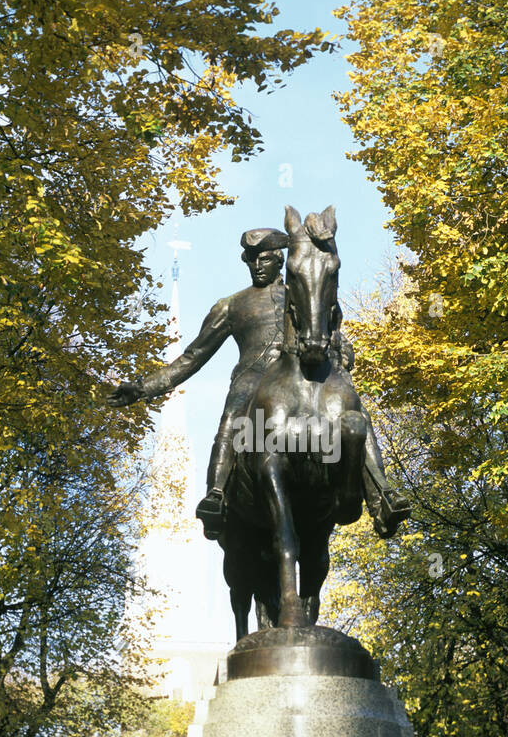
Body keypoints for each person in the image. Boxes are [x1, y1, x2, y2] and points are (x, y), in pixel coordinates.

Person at [108, 228, 410, 540]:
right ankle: (217, 494)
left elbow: (333, 331)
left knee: (354, 410)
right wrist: (143, 388)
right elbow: (192, 357)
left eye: (264, 259)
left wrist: (342, 353)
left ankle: (380, 496)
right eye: (250, 261)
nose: (257, 266)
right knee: (234, 417)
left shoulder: (303, 293)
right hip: (252, 381)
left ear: (280, 261)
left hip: (301, 379)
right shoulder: (231, 305)